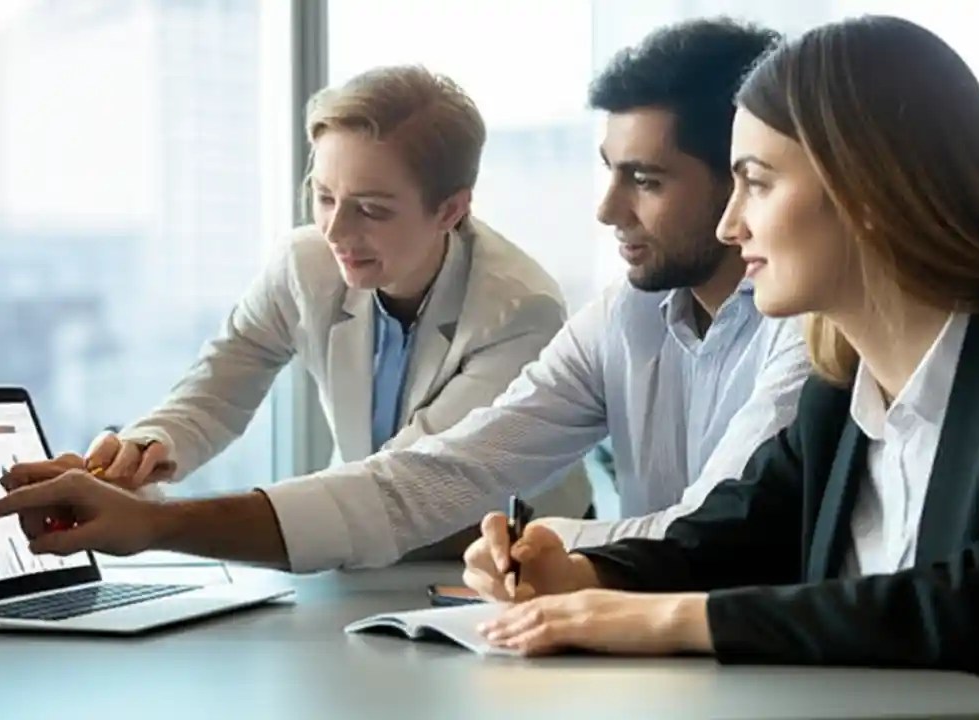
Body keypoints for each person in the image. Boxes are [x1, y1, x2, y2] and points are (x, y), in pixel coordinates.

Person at [0, 19, 812, 572]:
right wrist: (149, 475)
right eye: (323, 196)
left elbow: (706, 535)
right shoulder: (626, 315)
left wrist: (539, 541)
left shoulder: (530, 307)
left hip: (546, 578)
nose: (605, 210)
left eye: (647, 180)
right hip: (562, 591)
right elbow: (423, 474)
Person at [461, 15, 979, 704]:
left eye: (756, 183)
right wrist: (582, 575)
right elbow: (729, 539)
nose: (729, 225)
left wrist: (668, 619)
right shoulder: (842, 392)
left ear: (865, 192)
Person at [47, 64, 595, 553]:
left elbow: (408, 483)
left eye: (371, 210)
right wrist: (146, 450)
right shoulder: (303, 264)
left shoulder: (522, 311)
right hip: (359, 538)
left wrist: (157, 522)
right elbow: (217, 388)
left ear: (450, 209)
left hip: (505, 555)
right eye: (325, 196)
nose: (335, 231)